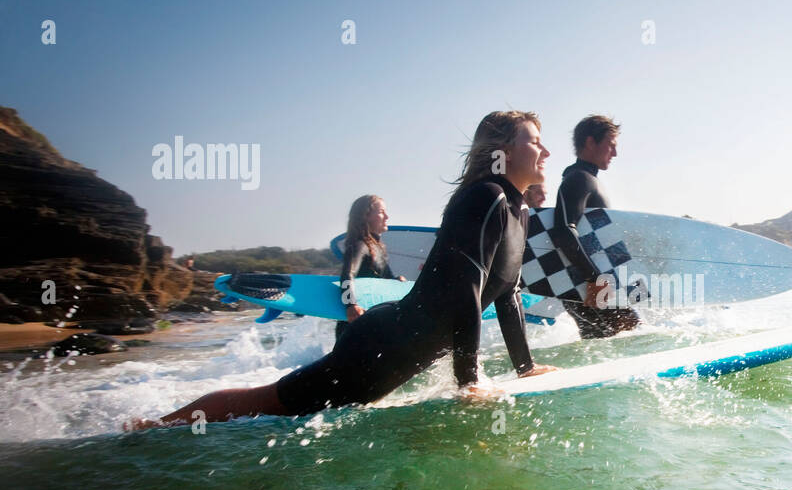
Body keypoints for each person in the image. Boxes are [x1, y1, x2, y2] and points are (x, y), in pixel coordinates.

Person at [131, 111, 559, 428]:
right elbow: (467, 290)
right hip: (381, 346)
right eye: (535, 141)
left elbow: (507, 295)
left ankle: (163, 425)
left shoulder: (518, 213)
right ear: (501, 151)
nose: (545, 150)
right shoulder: (484, 196)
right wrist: (470, 383)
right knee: (272, 401)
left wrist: (526, 367)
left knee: (284, 404)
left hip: (402, 354)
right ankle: (157, 427)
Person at [551, 115, 640, 339]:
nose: (615, 153)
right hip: (590, 284)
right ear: (590, 142)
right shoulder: (579, 179)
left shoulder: (585, 178)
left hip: (594, 282)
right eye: (611, 145)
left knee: (611, 343)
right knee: (628, 337)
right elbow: (562, 229)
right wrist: (593, 279)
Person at [337, 195, 405, 344]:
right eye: (381, 212)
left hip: (372, 320)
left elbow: (386, 279)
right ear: (365, 216)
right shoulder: (359, 245)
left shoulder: (377, 248)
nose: (387, 217)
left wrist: (397, 281)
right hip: (354, 322)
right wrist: (350, 305)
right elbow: (347, 274)